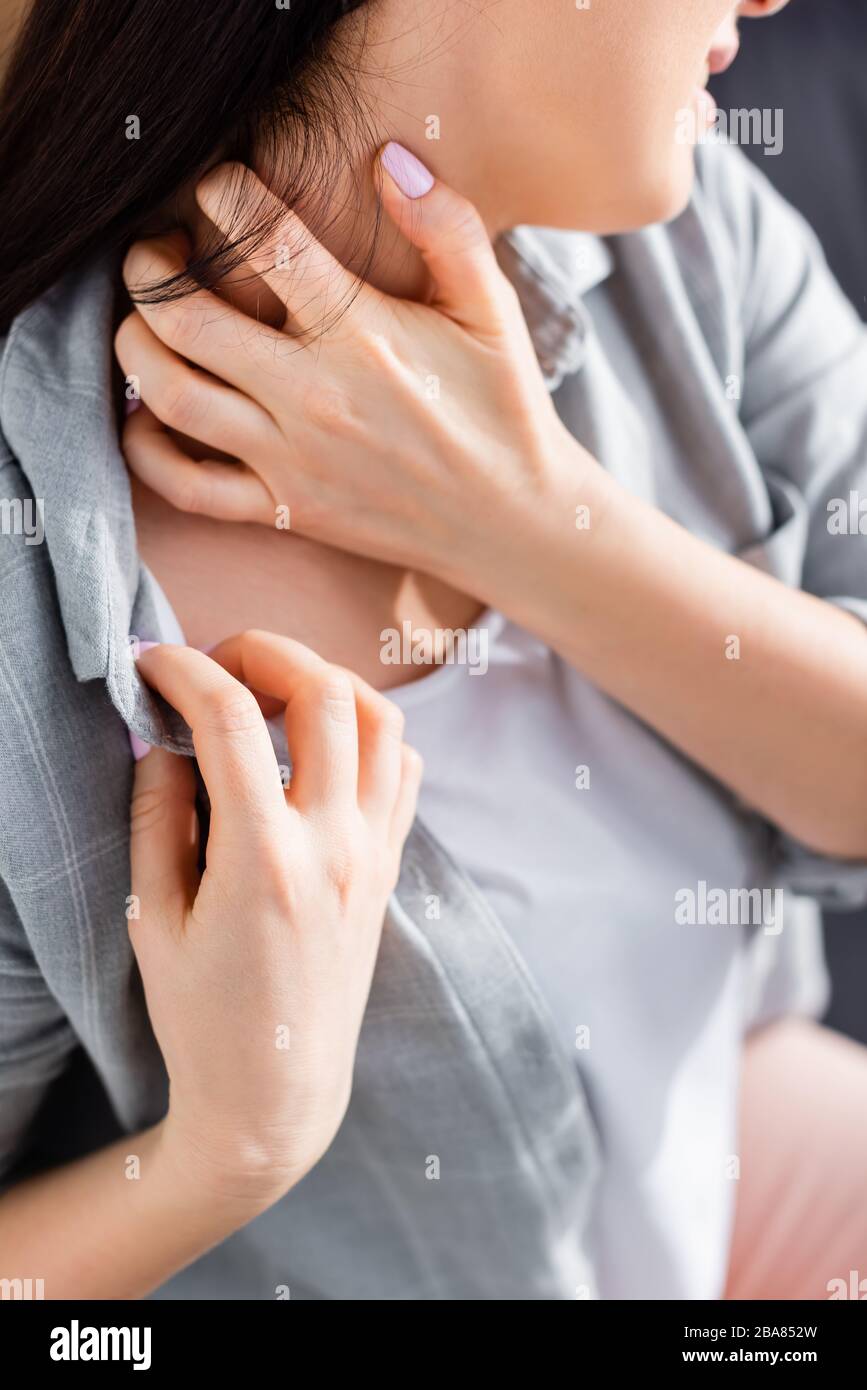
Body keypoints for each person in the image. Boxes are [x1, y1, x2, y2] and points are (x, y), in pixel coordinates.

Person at [0, 0, 866, 1301]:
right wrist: (223, 1150)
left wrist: (527, 525)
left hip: (737, 1171)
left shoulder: (704, 244)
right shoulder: (37, 582)